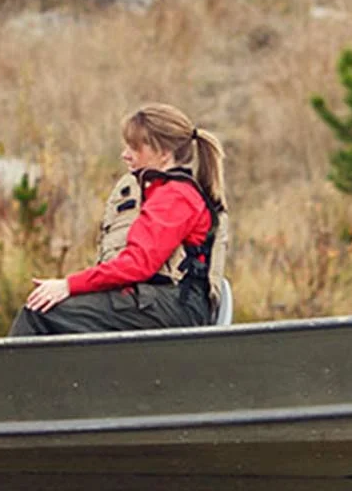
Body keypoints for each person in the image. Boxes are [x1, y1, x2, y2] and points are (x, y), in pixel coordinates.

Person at [12, 104, 223, 336]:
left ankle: (1, 372)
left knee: (39, 314)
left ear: (163, 153)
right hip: (167, 303)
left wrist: (68, 285)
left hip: (176, 306)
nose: (125, 154)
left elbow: (137, 264)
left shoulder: (175, 197)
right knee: (62, 313)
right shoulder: (169, 193)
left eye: (134, 148)